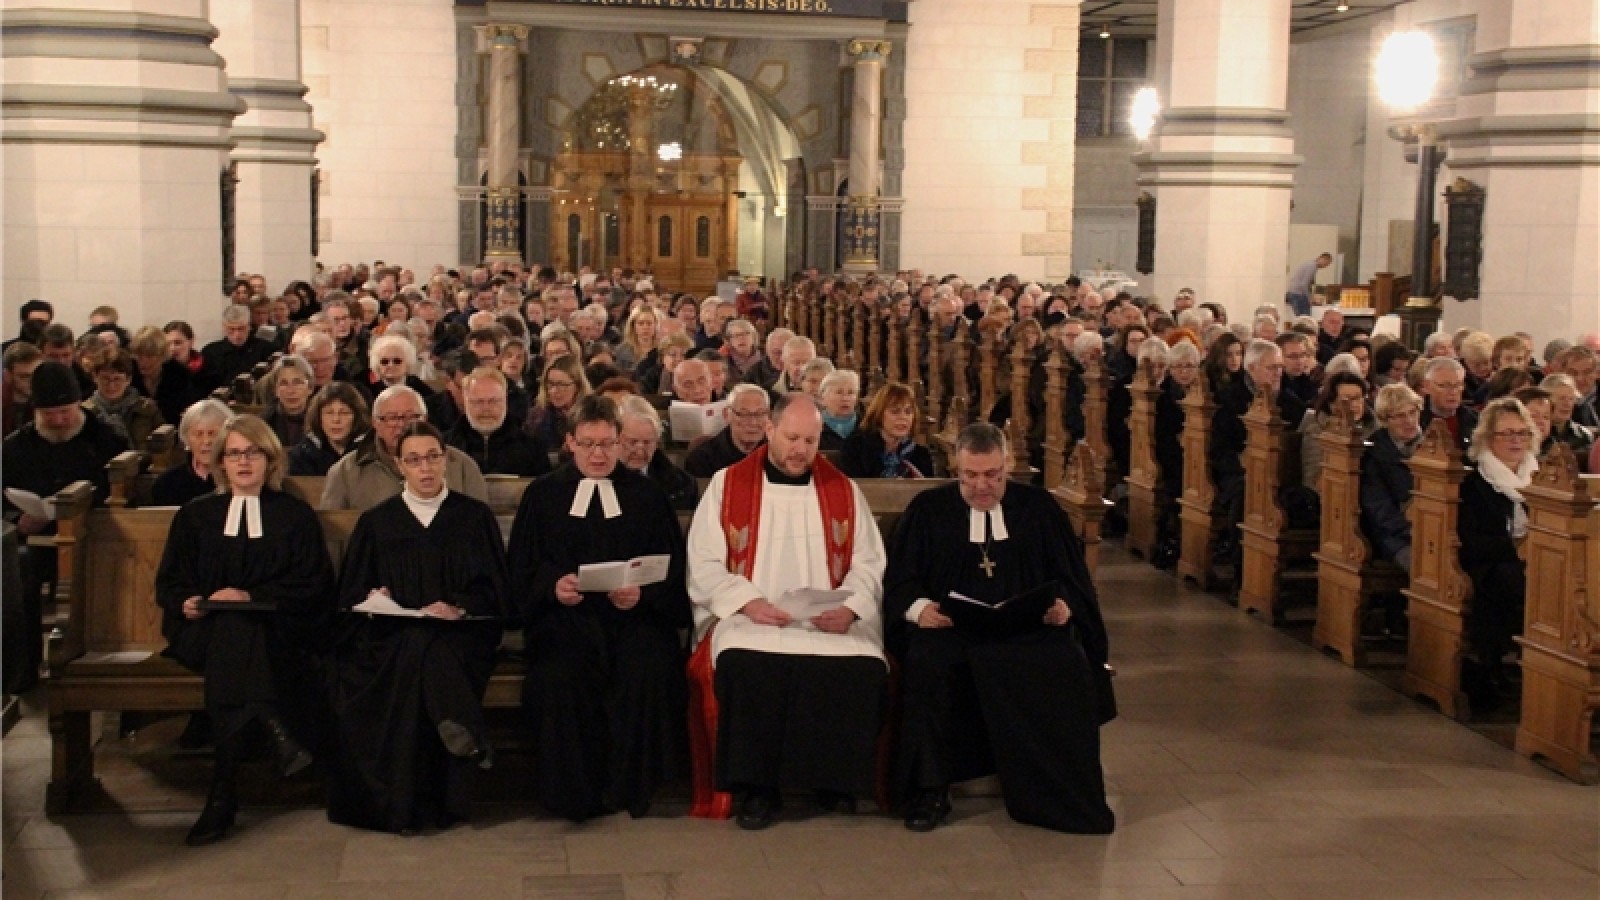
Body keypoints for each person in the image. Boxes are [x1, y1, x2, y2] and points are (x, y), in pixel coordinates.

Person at [884, 424, 1114, 834]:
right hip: (952, 629)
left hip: (1026, 629)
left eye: (992, 475)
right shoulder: (928, 510)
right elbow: (901, 580)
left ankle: (1057, 791)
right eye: (970, 476)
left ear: (1007, 465)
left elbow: (1072, 580)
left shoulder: (1038, 509)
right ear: (956, 468)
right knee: (927, 661)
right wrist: (920, 610)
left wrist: (1064, 606)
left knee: (1066, 660)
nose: (981, 486)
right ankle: (931, 790)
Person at [686, 393, 889, 830]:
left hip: (826, 621)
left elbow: (868, 563)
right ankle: (757, 789)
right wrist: (747, 601)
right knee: (745, 664)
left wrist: (851, 607)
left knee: (863, 668)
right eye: (792, 438)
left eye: (810, 441)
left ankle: (833, 782)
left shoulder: (842, 490)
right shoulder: (728, 486)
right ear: (770, 430)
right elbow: (703, 562)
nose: (801, 449)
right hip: (750, 618)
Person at [153, 414, 336, 845]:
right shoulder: (196, 515)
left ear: (270, 459)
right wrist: (188, 602)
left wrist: (250, 596)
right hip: (203, 633)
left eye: (253, 452)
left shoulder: (293, 515)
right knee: (234, 628)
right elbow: (170, 583)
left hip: (279, 630)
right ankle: (273, 726)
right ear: (220, 461)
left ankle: (223, 792)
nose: (243, 461)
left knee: (240, 628)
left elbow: (313, 584)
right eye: (234, 453)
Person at [508, 396, 690, 821]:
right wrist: (553, 588)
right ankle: (574, 793)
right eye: (588, 444)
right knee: (560, 675)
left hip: (634, 619)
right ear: (570, 443)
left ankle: (630, 787)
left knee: (646, 667)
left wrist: (642, 595)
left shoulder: (647, 495)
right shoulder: (544, 495)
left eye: (607, 444)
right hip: (566, 619)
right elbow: (521, 568)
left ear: (619, 442)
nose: (598, 455)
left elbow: (671, 568)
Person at [328, 422, 510, 834]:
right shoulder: (377, 522)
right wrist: (375, 597)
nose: (424, 468)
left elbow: (496, 591)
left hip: (462, 634)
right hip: (394, 635)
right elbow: (351, 596)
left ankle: (409, 806)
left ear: (446, 460)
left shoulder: (473, 517)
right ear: (399, 466)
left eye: (432, 457)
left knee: (429, 648)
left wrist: (458, 607)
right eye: (413, 460)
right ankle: (462, 727)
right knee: (419, 644)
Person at [1459, 397, 1538, 710]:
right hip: (1488, 563)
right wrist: (1517, 548)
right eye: (1506, 434)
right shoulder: (1474, 482)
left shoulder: (1541, 477)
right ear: (1488, 439)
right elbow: (1470, 541)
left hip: (1538, 560)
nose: (1516, 440)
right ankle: (1491, 664)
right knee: (1512, 580)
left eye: (1522, 433)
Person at [321, 385, 487, 511]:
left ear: (425, 420)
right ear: (376, 424)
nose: (402, 425)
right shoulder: (345, 472)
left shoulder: (462, 466)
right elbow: (333, 535)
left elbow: (481, 527)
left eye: (411, 417)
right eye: (392, 418)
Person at [444, 366, 551, 477]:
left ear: (505, 401)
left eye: (493, 401)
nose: (486, 408)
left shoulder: (533, 448)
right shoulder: (444, 447)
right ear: (465, 402)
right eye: (477, 402)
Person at [836, 382, 932, 479]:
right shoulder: (855, 447)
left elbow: (930, 487)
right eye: (895, 412)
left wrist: (921, 482)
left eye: (908, 412)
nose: (903, 417)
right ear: (879, 414)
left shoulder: (921, 454)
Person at [617, 395, 699, 510]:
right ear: (614, 440)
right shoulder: (597, 479)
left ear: (657, 442)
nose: (640, 451)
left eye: (647, 442)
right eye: (632, 442)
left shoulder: (683, 484)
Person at [151, 399, 230, 506]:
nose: (206, 441)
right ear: (186, 439)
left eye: (213, 434)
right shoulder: (167, 484)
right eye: (198, 434)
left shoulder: (239, 479)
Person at [683, 383, 770, 477]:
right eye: (743, 414)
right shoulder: (702, 459)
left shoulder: (776, 453)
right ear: (726, 414)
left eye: (760, 413)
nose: (753, 422)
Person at [83, 349, 163, 450]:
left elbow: (164, 447)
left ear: (128, 380)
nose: (111, 385)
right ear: (95, 377)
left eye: (117, 379)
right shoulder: (85, 413)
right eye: (105, 378)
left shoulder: (147, 409)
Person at [288, 382, 371, 476]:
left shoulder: (370, 453)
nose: (336, 420)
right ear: (319, 417)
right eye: (329, 413)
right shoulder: (303, 455)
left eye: (344, 413)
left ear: (357, 417)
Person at [527, 354, 591, 449]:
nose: (554, 391)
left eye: (561, 385)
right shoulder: (537, 418)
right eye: (550, 384)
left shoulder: (591, 415)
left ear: (578, 386)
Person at [201, 304, 275, 384]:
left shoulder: (264, 348)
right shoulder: (211, 352)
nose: (237, 334)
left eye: (241, 328)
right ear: (224, 327)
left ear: (249, 326)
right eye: (231, 329)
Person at [1419, 356, 1478, 446]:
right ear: (1427, 386)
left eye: (1458, 385)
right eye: (1444, 386)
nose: (1453, 392)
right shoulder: (1414, 420)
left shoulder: (1477, 420)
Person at [260, 355, 314, 449]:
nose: (291, 391)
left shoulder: (321, 419)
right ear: (276, 390)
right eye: (284, 383)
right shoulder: (264, 423)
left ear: (310, 388)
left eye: (297, 382)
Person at [2, 342, 41, 438]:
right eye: (25, 376)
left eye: (37, 374)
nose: (33, 381)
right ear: (7, 375)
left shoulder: (46, 401)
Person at [1285, 252, 1332, 318]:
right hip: (1298, 294)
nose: (1325, 266)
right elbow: (1304, 284)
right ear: (1322, 259)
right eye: (1326, 264)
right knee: (1305, 318)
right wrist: (1309, 298)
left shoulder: (1310, 264)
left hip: (1294, 292)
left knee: (1300, 318)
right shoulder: (1312, 266)